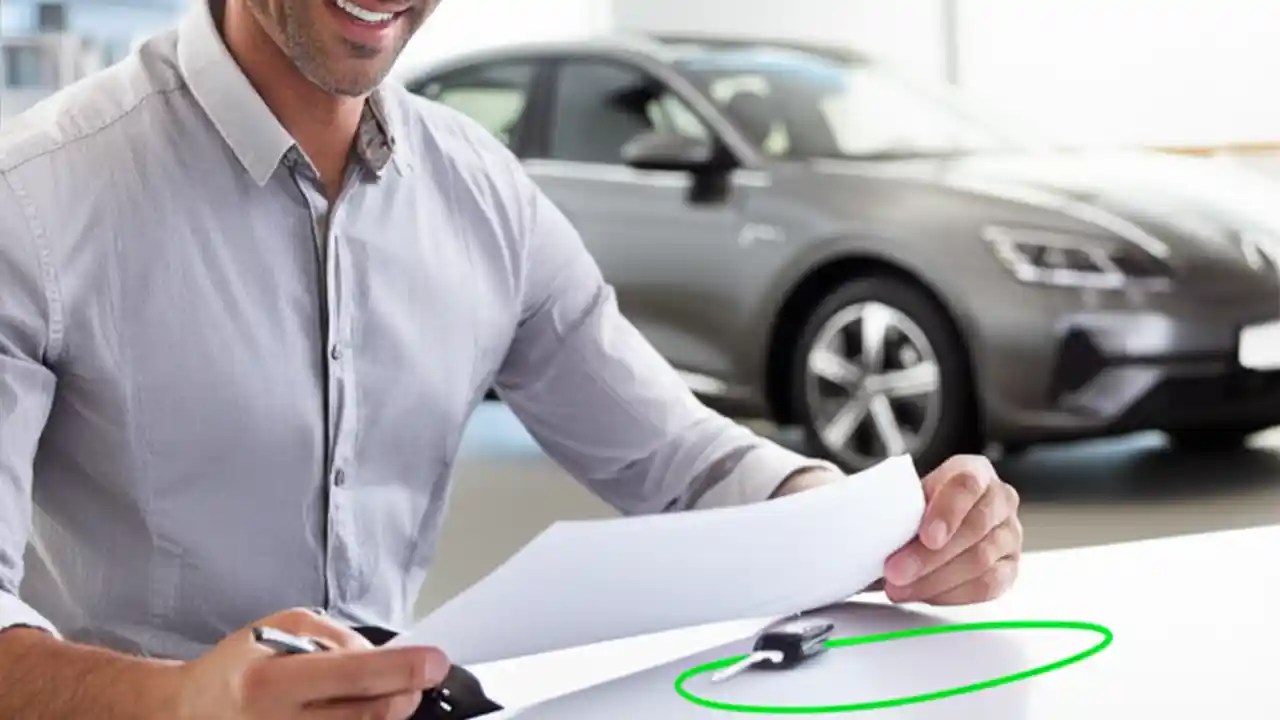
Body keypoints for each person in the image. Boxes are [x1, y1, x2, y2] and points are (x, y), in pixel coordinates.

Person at [0, 0, 1024, 717]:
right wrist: (181, 705)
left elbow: (688, 465)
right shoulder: (36, 199)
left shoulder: (482, 194)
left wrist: (891, 527)